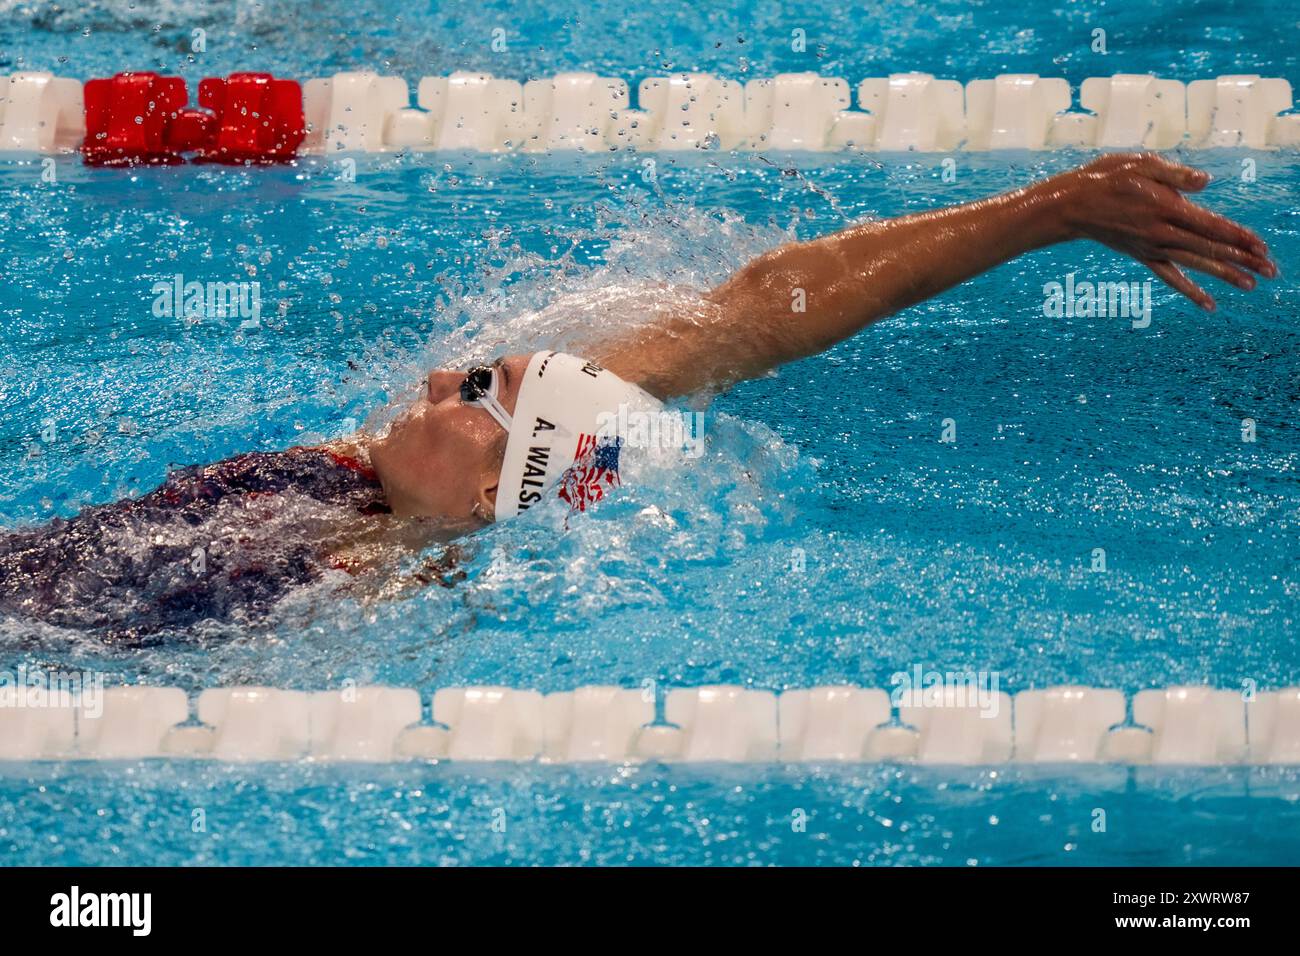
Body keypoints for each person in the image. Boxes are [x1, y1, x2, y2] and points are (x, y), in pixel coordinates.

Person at [0, 153, 1276, 641]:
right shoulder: (400, 478)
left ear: (504, 487)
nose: (446, 373)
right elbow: (763, 305)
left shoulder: (341, 574)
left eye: (478, 390)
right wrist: (1045, 210)